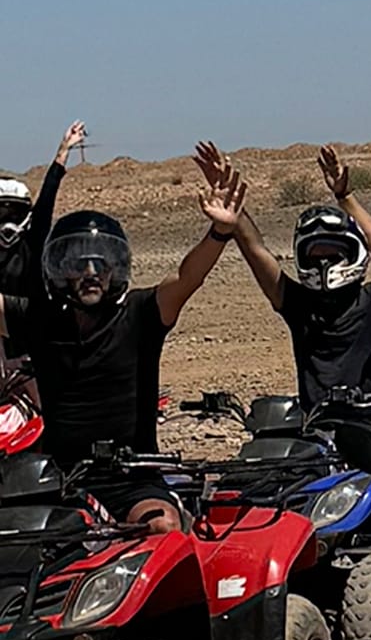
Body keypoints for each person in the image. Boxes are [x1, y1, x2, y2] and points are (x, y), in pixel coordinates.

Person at [0, 166, 249, 528]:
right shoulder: (41, 319)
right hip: (58, 479)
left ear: (115, 270)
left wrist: (220, 232)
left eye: (101, 264)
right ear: (58, 270)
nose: (90, 272)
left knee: (161, 526)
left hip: (132, 479)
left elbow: (187, 277)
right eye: (78, 264)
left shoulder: (141, 314)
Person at [191, 142, 371, 409]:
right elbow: (256, 250)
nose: (324, 264)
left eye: (333, 256)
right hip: (316, 430)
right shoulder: (299, 305)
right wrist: (235, 215)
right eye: (315, 258)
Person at [0, 122, 87, 314]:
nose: (7, 223)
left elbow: (48, 195)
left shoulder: (32, 243)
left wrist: (63, 150)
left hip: (30, 330)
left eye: (15, 214)